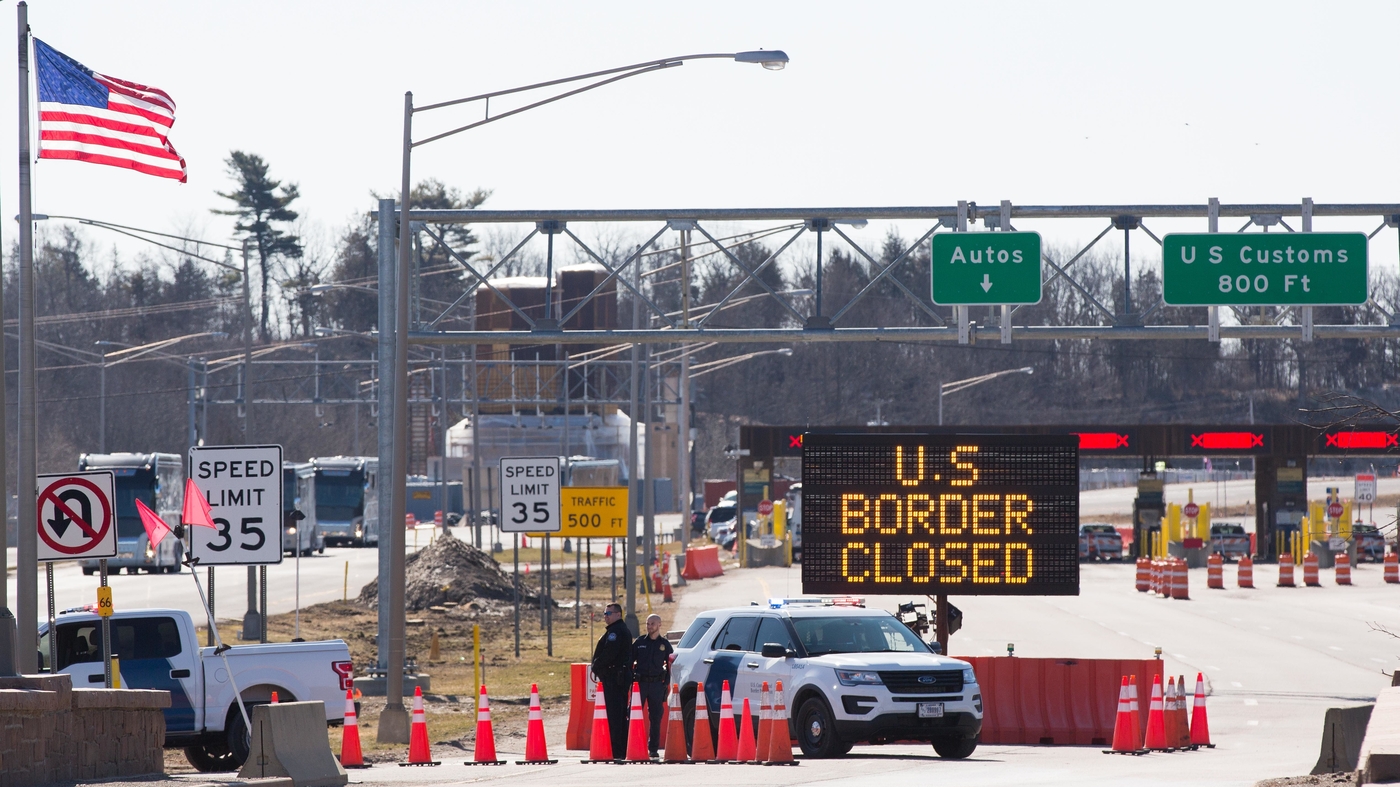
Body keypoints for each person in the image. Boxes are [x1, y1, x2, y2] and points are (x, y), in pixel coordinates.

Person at [591, 602, 633, 758]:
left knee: (615, 716)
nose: (605, 616)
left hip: (615, 679)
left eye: (609, 613)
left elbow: (609, 654)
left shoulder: (616, 632)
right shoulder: (616, 630)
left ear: (618, 615)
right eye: (604, 613)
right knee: (617, 715)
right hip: (616, 678)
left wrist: (597, 665)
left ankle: (617, 750)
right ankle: (619, 749)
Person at [631, 613, 673, 758]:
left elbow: (670, 666)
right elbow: (630, 660)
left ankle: (653, 748)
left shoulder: (665, 645)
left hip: (656, 684)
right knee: (633, 715)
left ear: (659, 625)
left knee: (656, 718)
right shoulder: (640, 642)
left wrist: (665, 685)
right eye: (648, 624)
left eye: (652, 624)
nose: (649, 627)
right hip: (641, 684)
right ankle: (632, 746)